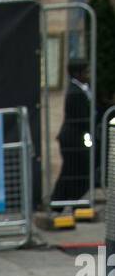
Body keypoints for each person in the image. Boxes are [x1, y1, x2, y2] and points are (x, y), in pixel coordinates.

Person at [50, 58, 94, 204]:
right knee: (74, 170)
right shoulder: (74, 92)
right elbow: (81, 117)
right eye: (85, 72)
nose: (88, 75)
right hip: (72, 138)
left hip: (77, 137)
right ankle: (61, 201)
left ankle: (63, 201)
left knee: (72, 170)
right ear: (77, 73)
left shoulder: (84, 88)